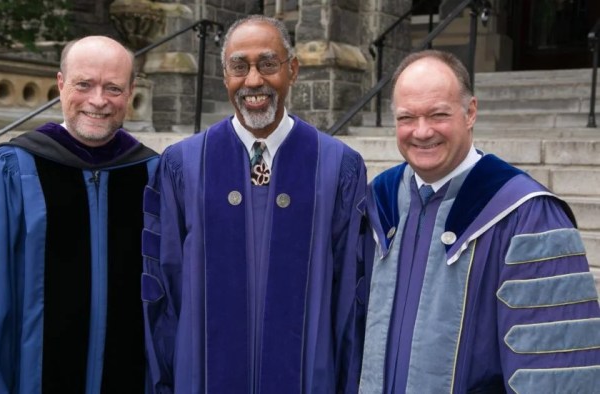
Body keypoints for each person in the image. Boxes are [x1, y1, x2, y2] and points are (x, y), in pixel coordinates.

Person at [0, 36, 158, 393]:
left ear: (131, 91)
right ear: (61, 84)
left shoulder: (154, 175)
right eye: (84, 84)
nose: (98, 100)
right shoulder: (9, 170)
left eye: (114, 87)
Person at [141, 15, 367, 394]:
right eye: (239, 66)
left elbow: (349, 299)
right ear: (224, 74)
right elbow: (165, 289)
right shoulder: (183, 165)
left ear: (292, 70)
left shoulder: (337, 167)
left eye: (268, 63)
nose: (253, 80)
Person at [358, 49, 600, 393]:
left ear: (470, 112)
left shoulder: (528, 216)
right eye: (407, 118)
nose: (421, 131)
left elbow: (556, 372)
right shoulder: (379, 204)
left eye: (438, 114)